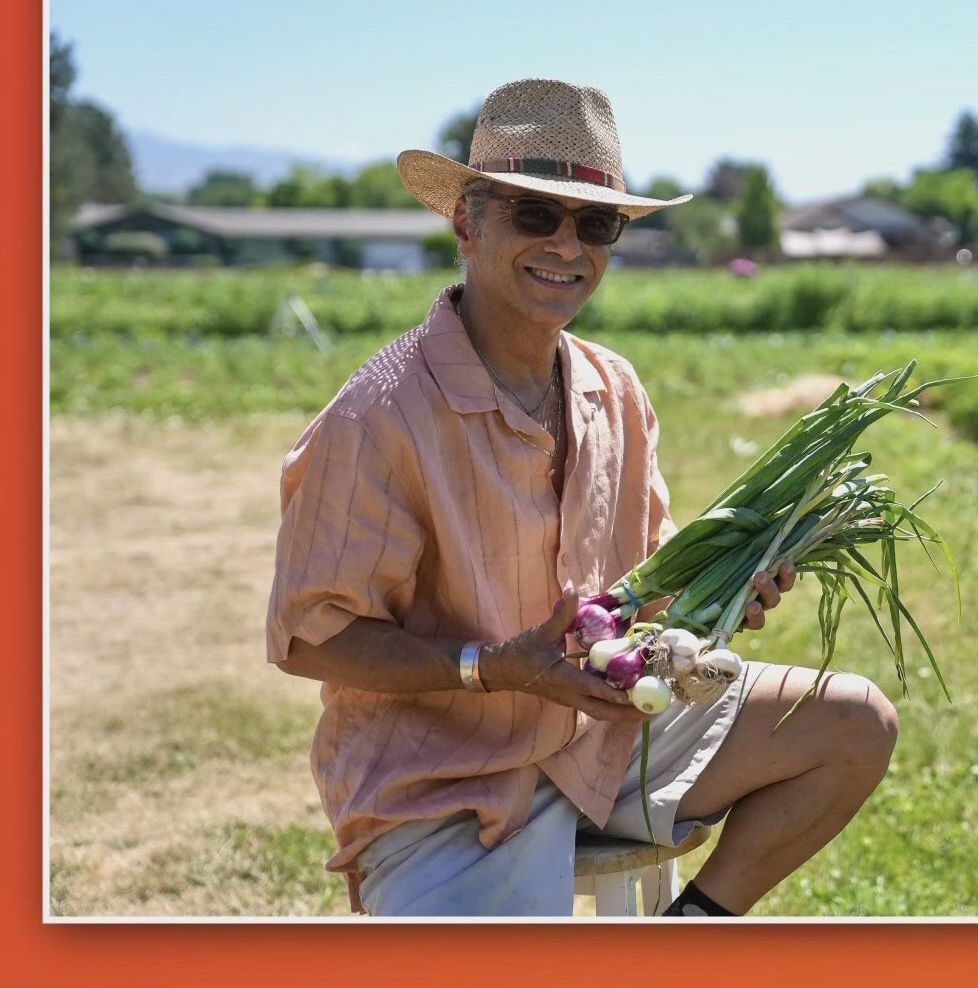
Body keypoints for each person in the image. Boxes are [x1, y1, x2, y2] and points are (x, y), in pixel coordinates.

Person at [266, 78, 900, 917]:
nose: (567, 245)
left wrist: (726, 594)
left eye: (594, 224)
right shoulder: (381, 414)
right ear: (467, 223)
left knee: (853, 723)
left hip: (610, 734)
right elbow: (310, 637)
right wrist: (489, 669)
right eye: (535, 214)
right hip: (444, 780)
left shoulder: (615, 387)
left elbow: (645, 591)